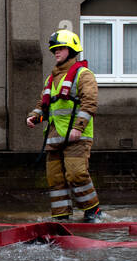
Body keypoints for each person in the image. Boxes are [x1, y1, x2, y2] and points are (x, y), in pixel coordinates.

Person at [26, 29, 101, 222]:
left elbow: (89, 103)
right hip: (54, 137)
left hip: (77, 137)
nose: (56, 52)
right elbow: (43, 105)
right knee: (55, 179)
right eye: (54, 50)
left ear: (71, 50)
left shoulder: (84, 75)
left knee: (77, 174)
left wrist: (78, 127)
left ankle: (92, 211)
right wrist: (34, 116)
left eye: (60, 49)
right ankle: (61, 217)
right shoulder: (51, 79)